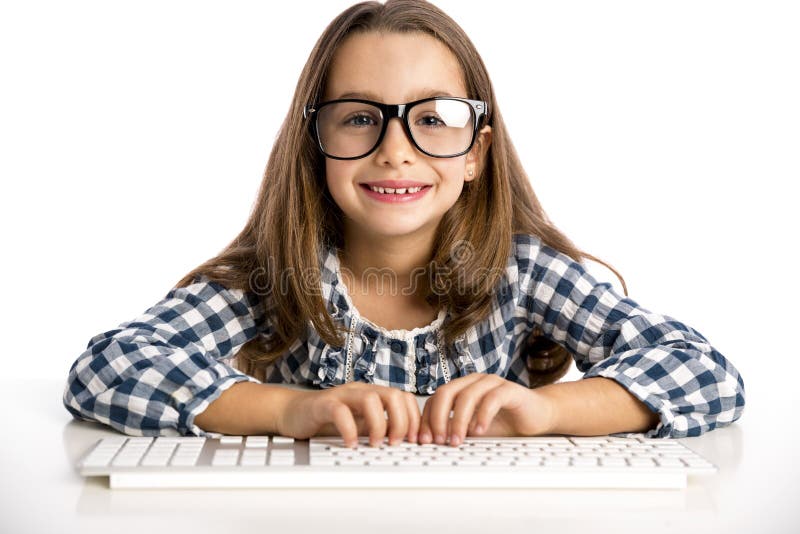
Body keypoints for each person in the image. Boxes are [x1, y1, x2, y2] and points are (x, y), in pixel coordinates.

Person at [62, 0, 745, 449]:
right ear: (317, 143)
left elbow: (705, 372)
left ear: (476, 152)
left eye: (433, 119)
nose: (396, 149)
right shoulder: (276, 274)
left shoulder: (522, 269)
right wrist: (286, 412)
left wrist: (548, 413)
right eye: (360, 115)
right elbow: (108, 369)